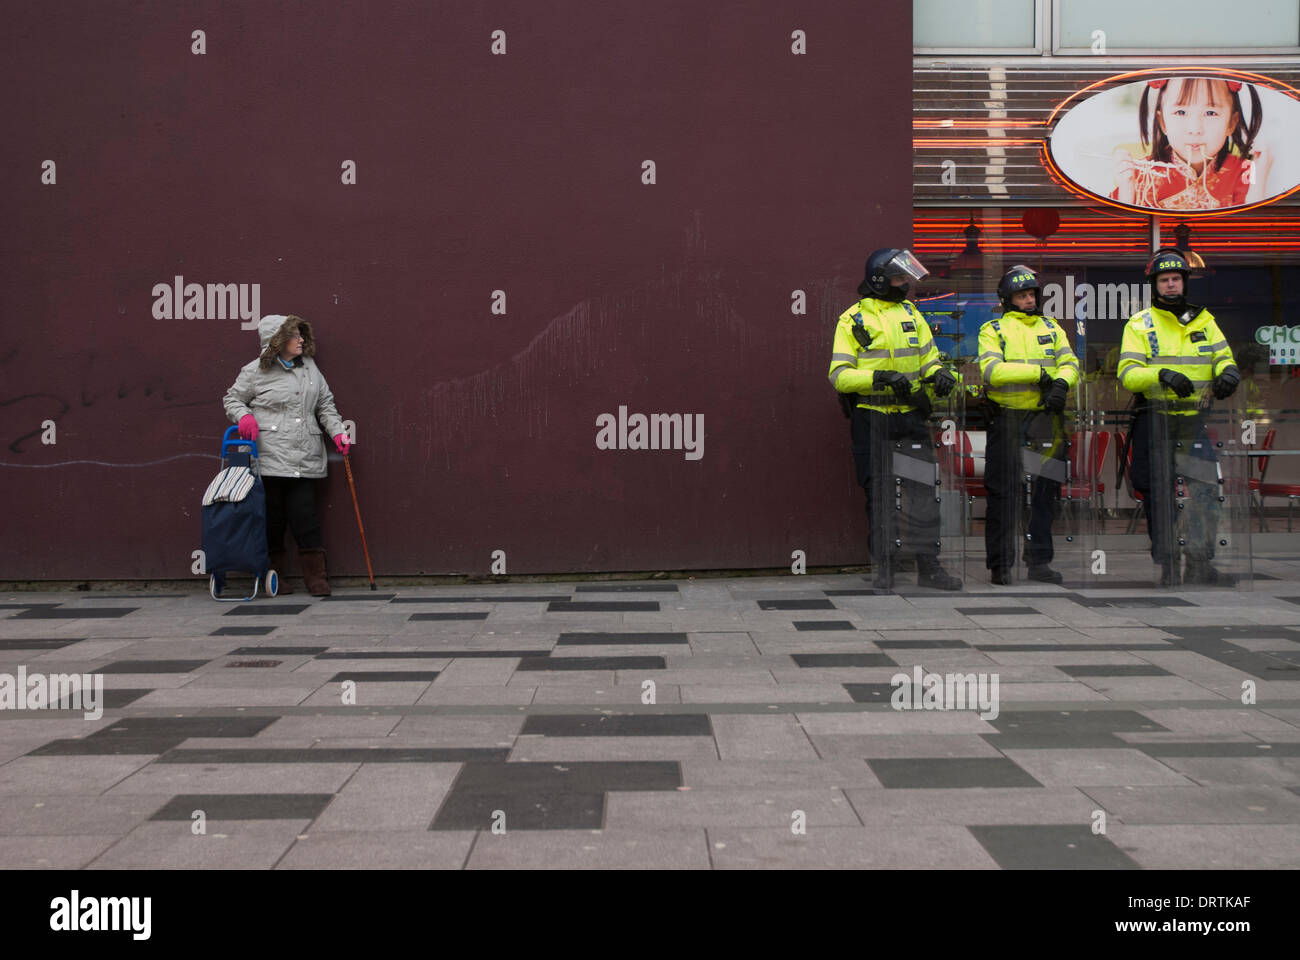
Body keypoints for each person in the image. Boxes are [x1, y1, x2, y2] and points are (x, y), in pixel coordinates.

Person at [829, 248, 961, 591]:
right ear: (879, 280)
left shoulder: (912, 315)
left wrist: (939, 373)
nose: (905, 284)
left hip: (910, 417)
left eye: (906, 278)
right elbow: (840, 376)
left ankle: (929, 568)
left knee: (922, 495)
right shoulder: (852, 319)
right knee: (881, 495)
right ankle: (885, 567)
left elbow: (928, 359)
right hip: (873, 418)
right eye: (900, 278)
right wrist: (880, 378)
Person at [1118, 249, 1239, 586]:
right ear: (1154, 285)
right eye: (1164, 280)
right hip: (1155, 420)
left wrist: (1228, 374)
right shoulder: (1140, 323)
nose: (1170, 284)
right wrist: (1162, 375)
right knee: (1159, 493)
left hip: (1191, 422)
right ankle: (1168, 559)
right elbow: (1128, 374)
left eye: (1175, 279)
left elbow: (1223, 357)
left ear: (1184, 282)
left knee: (1204, 490)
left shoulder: (1204, 320)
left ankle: (1199, 561)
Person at [223, 314, 350, 596]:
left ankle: (316, 576)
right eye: (295, 335)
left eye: (301, 334)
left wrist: (338, 431)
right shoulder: (255, 371)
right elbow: (232, 399)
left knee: (306, 517)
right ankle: (274, 576)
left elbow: (325, 405)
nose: (301, 339)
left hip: (304, 456)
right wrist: (244, 417)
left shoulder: (311, 368)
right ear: (277, 341)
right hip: (268, 457)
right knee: (272, 518)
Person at [979, 266, 1080, 586]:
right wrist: (1038, 375)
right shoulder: (992, 329)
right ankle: (1001, 564)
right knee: (1003, 494)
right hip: (1006, 419)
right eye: (1022, 295)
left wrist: (1062, 384)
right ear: (1008, 299)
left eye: (1032, 294)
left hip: (1044, 421)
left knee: (1044, 494)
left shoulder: (1052, 328)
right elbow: (992, 372)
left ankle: (1039, 561)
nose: (1028, 299)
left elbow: (1070, 364)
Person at [1112, 77, 1267, 211]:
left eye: (1210, 113)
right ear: (1163, 122)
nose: (1195, 129)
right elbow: (1120, 237)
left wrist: (1261, 175)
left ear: (1231, 123)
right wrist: (1127, 189)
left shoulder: (1245, 172)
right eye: (1181, 112)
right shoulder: (1141, 175)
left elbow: (1254, 231)